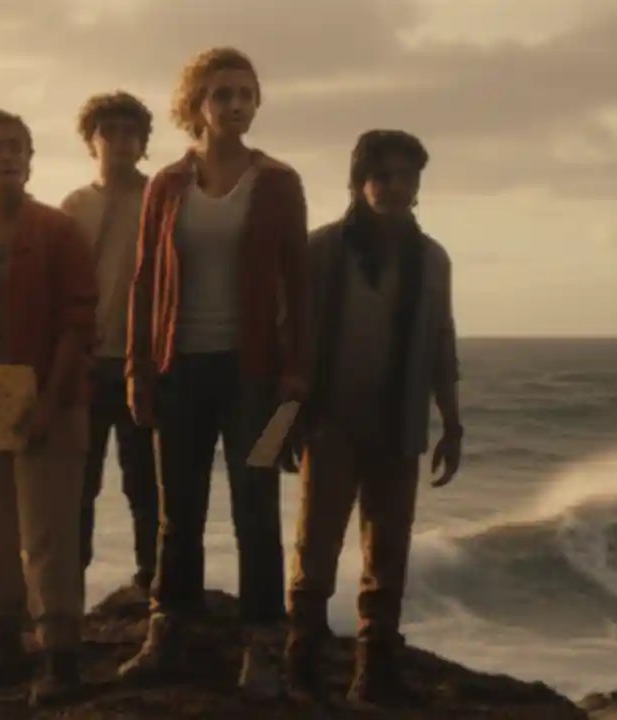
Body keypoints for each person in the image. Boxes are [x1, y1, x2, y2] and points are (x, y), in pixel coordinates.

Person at [118, 47, 310, 698]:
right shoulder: (166, 185)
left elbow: (299, 283)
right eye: (222, 93)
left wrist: (296, 374)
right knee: (181, 511)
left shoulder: (279, 181)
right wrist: (137, 371)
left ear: (257, 103)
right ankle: (169, 629)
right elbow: (144, 280)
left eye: (245, 94)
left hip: (252, 375)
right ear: (196, 103)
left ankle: (262, 648)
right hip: (179, 370)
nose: (235, 105)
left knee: (256, 507)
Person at [284, 130, 462, 708]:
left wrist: (451, 423)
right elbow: (293, 341)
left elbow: (441, 342)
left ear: (417, 187)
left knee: (388, 551)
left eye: (406, 177)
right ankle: (301, 664)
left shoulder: (433, 258)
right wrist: (284, 420)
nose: (393, 187)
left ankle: (374, 669)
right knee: (316, 548)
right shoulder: (322, 249)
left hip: (400, 424)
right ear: (359, 182)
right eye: (382, 175)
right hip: (330, 422)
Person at [0, 109, 98, 707]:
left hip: (50, 402)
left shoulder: (58, 231)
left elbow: (79, 324)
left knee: (48, 534)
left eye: (16, 148)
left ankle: (61, 657)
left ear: (30, 160)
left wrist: (49, 404)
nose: (5, 157)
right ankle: (4, 646)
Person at [60, 90, 159, 595]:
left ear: (144, 144)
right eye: (109, 133)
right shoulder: (74, 207)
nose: (120, 143)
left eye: (130, 134)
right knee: (79, 484)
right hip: (86, 364)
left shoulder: (159, 200)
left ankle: (151, 585)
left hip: (142, 364)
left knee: (146, 484)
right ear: (90, 142)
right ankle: (69, 589)